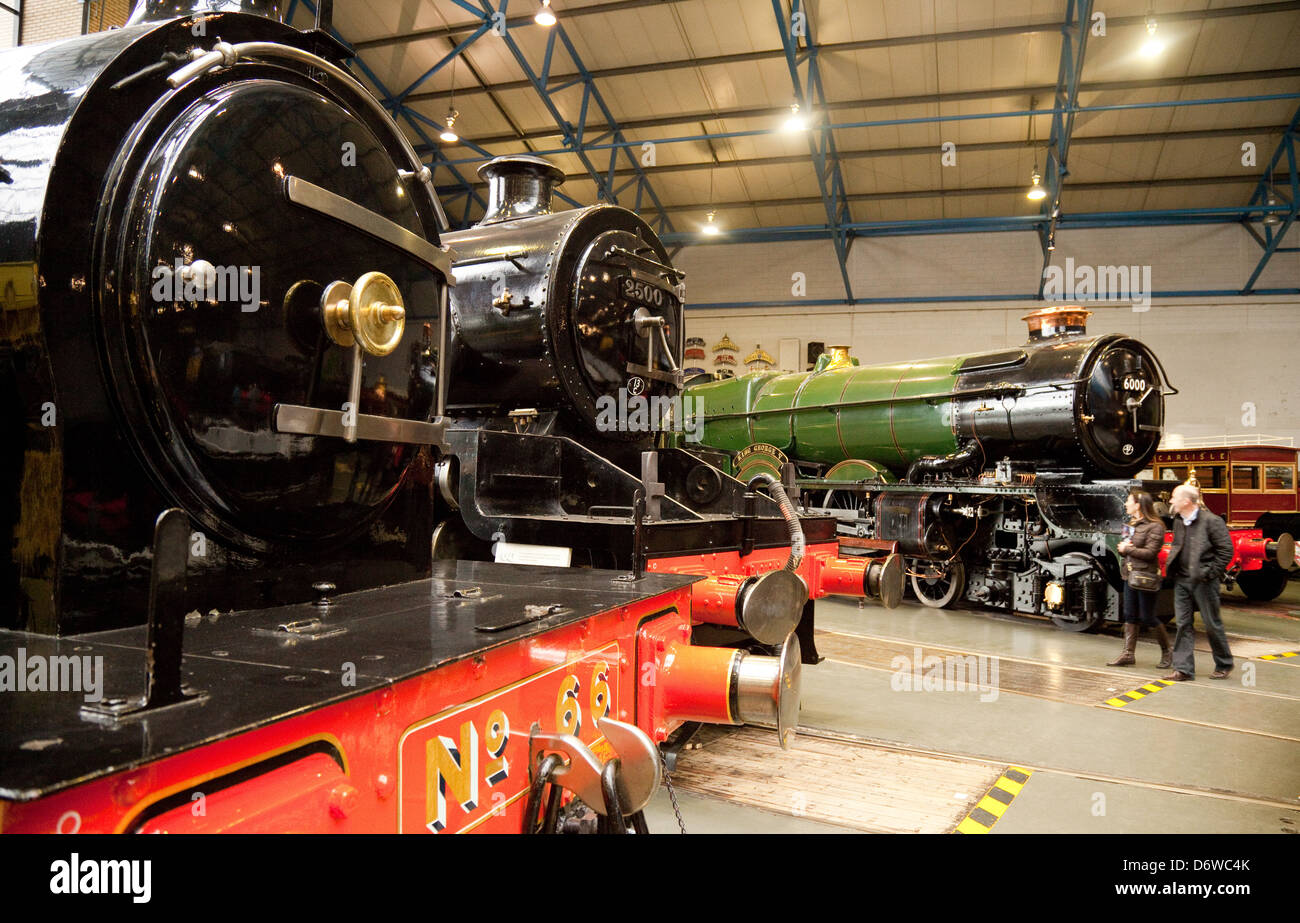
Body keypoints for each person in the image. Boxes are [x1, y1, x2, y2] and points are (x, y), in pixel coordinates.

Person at [1162, 484, 1235, 681]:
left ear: (1186, 501)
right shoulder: (1178, 521)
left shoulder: (1212, 521)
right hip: (1182, 580)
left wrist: (1209, 573)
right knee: (1183, 624)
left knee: (1212, 624)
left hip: (1204, 582)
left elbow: (1226, 551)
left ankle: (1224, 663)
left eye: (1174, 497)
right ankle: (1183, 669)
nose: (1170, 501)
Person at [1109, 489, 1172, 668]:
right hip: (1129, 575)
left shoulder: (1156, 526)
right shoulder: (1132, 524)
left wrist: (1127, 549)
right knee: (1130, 615)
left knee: (1148, 616)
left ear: (1138, 505)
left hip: (1145, 576)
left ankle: (1168, 652)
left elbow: (1151, 552)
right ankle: (1128, 654)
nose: (1125, 504)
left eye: (1129, 501)